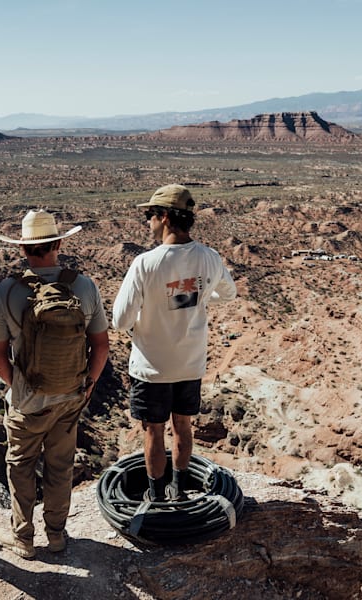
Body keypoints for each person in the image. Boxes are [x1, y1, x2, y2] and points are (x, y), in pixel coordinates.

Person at [0, 210, 109, 558]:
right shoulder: (84, 286)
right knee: (60, 467)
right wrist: (89, 384)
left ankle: (23, 538)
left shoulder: (6, 292)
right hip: (70, 396)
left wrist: (19, 387)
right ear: (58, 243)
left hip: (27, 403)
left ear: (23, 249)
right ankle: (56, 535)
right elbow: (101, 345)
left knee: (21, 466)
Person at [112, 184, 237, 502]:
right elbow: (229, 293)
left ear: (165, 217)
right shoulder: (209, 257)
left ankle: (156, 496)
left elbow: (120, 320)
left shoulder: (146, 264)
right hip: (190, 363)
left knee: (153, 430)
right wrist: (199, 297)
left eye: (150, 215)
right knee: (183, 425)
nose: (148, 222)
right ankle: (180, 491)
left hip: (152, 368)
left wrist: (143, 326)